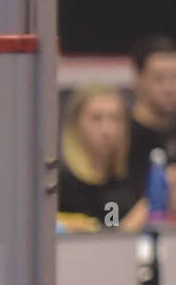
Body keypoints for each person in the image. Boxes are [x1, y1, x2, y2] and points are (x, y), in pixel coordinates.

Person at [58, 85, 147, 231]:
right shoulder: (63, 184)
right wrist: (134, 222)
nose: (107, 130)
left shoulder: (128, 175)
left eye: (115, 119)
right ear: (76, 124)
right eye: (96, 119)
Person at [128, 34, 176, 191]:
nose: (170, 88)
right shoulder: (123, 137)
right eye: (159, 79)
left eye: (175, 78)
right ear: (138, 80)